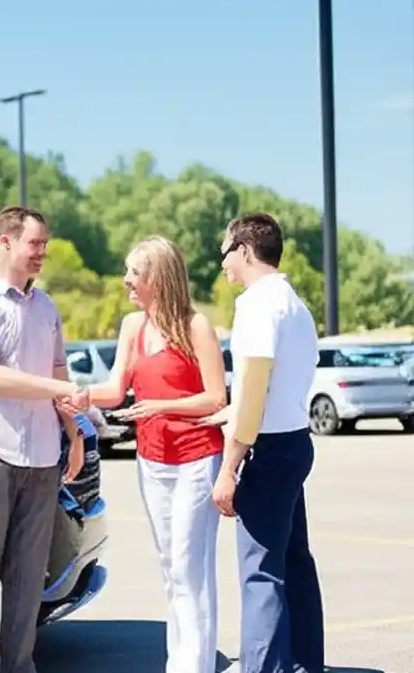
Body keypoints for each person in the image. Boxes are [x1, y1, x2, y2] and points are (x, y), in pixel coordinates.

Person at [0, 205, 88, 673]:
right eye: (35, 244)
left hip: (42, 456)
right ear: (6, 242)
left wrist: (73, 430)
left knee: (28, 581)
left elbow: (57, 369)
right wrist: (63, 391)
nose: (42, 252)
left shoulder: (45, 307)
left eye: (44, 244)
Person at [86, 235, 228, 673]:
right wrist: (75, 395)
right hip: (151, 460)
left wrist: (162, 406)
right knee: (171, 566)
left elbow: (216, 399)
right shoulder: (133, 326)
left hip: (197, 458)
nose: (126, 280)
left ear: (158, 278)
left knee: (189, 567)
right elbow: (114, 390)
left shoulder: (196, 326)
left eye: (135, 272)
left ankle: (194, 667)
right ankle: (180, 663)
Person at [200, 213, 325, 673]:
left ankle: (263, 668)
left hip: (267, 451)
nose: (223, 265)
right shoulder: (295, 306)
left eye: (225, 254)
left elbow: (252, 394)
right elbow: (280, 386)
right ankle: (304, 662)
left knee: (260, 573)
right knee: (294, 562)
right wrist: (232, 412)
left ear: (246, 251)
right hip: (294, 442)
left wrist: (228, 470)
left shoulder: (255, 306)